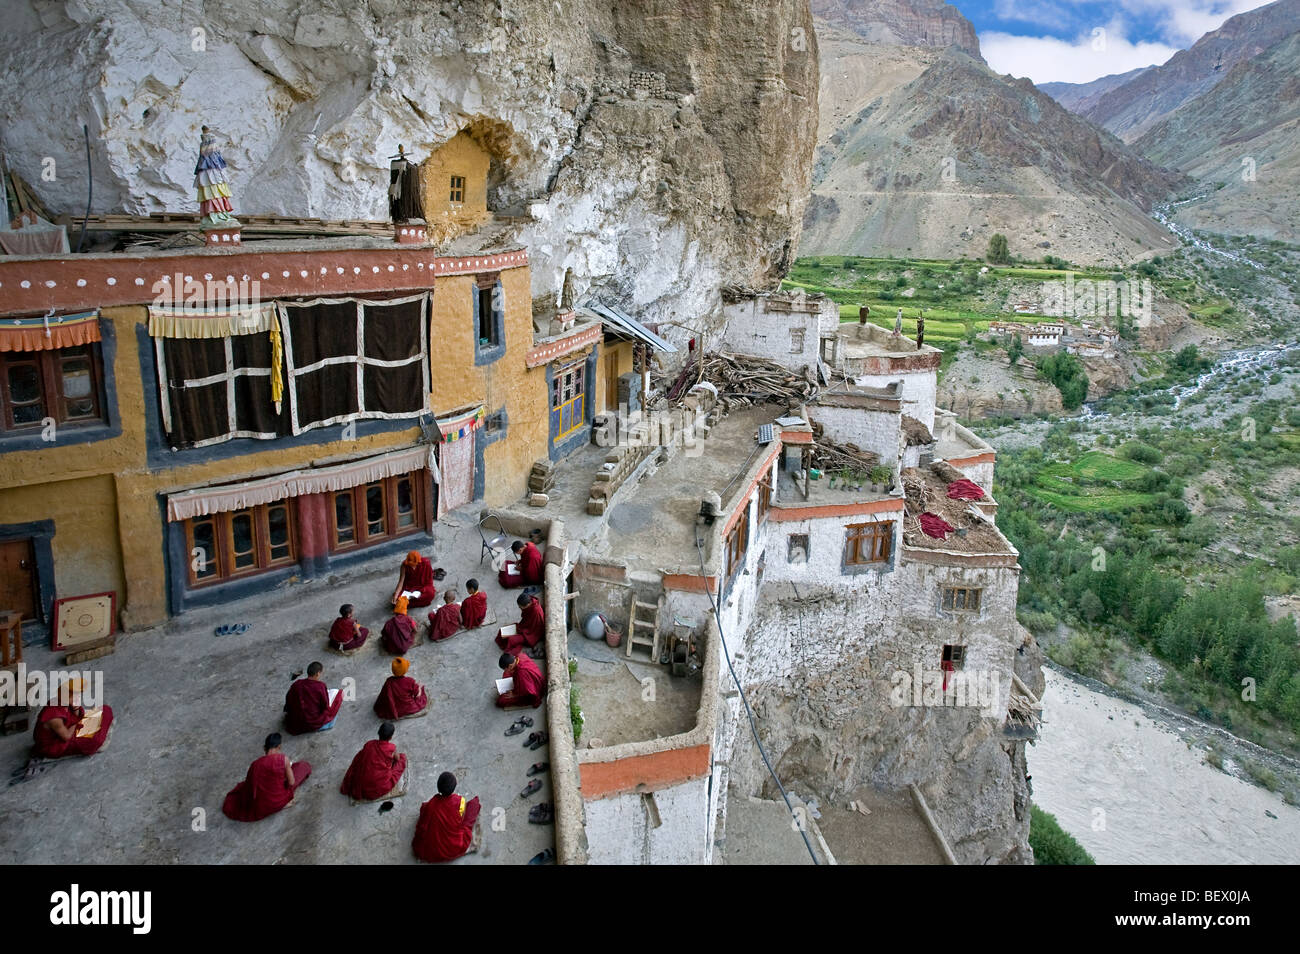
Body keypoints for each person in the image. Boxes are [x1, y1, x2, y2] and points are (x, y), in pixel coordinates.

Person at [222, 733, 311, 822]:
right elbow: (291, 782)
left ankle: (278, 805)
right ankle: (282, 804)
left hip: (260, 804)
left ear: (264, 748)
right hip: (278, 799)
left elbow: (251, 787)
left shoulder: (255, 764)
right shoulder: (283, 759)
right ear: (279, 747)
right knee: (303, 766)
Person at [32, 677, 113, 759]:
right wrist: (77, 723)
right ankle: (99, 736)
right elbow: (66, 736)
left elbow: (76, 717)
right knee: (95, 740)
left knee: (104, 709)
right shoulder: (54, 718)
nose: (77, 698)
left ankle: (98, 731)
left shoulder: (63, 702)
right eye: (75, 696)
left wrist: (75, 709)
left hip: (70, 728)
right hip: (56, 744)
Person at [413, 771, 481, 863]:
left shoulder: (432, 803)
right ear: (454, 788)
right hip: (452, 847)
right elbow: (460, 818)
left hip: (430, 850)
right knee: (474, 805)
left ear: (438, 787)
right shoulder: (459, 801)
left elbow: (423, 823)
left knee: (425, 808)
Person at [340, 722, 407, 802]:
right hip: (376, 786)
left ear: (378, 733)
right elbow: (398, 758)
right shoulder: (391, 748)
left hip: (360, 783)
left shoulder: (369, 744)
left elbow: (359, 758)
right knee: (402, 758)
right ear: (391, 737)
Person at [284, 661, 343, 734]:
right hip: (312, 722)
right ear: (318, 673)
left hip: (295, 720)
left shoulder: (297, 684)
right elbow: (325, 705)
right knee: (339, 695)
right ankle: (323, 725)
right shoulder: (320, 686)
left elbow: (288, 699)